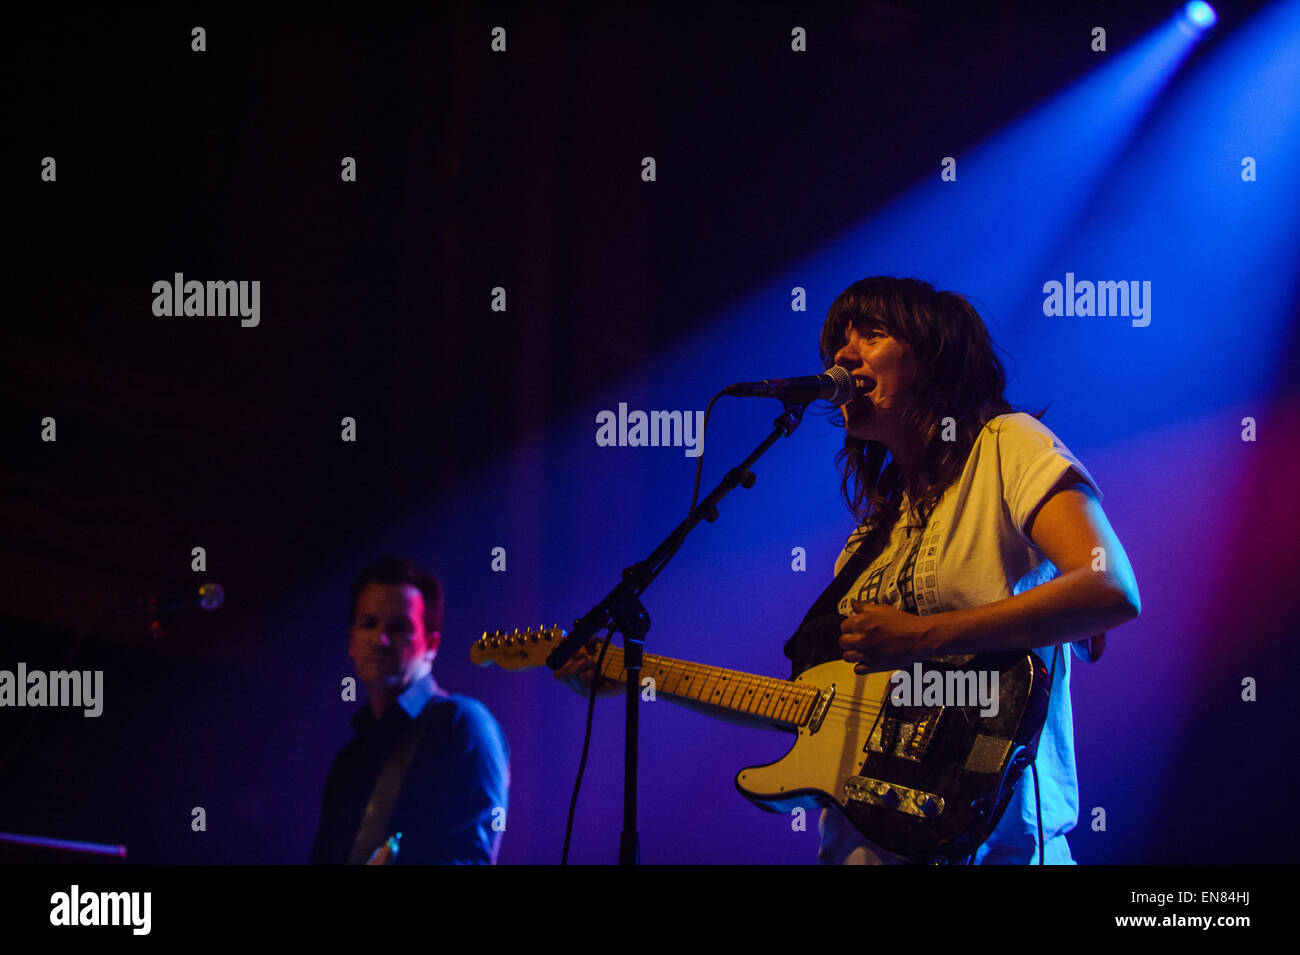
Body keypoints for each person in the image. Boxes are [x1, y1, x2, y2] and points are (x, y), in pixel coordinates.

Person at [557, 275, 1140, 865]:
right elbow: (819, 710)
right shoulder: (867, 542)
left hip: (995, 849)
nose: (841, 355)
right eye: (837, 341)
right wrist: (637, 675)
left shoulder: (1007, 446)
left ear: (936, 357)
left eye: (874, 334)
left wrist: (923, 636)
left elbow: (1109, 588)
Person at [311, 556, 510, 864]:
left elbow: (471, 859)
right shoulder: (349, 759)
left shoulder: (463, 724)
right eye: (368, 624)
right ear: (351, 640)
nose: (380, 640)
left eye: (399, 627)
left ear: (431, 644)